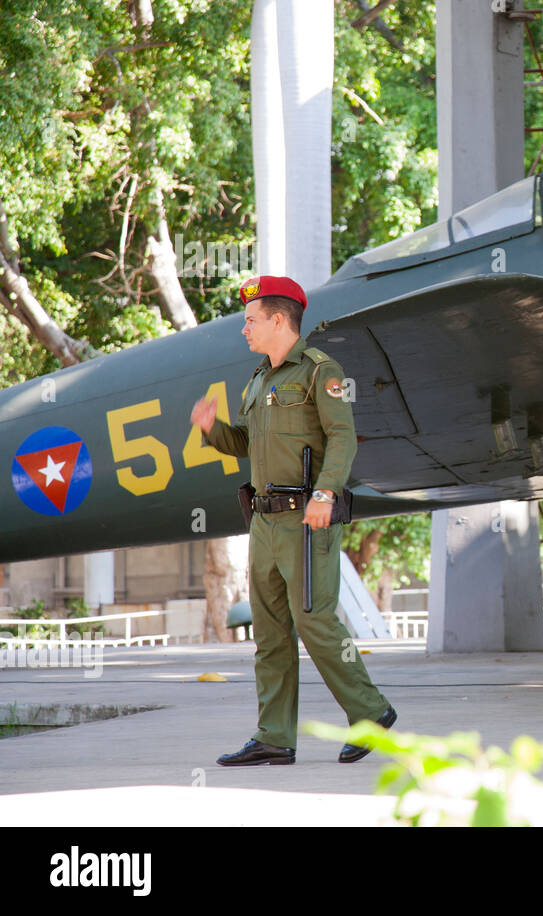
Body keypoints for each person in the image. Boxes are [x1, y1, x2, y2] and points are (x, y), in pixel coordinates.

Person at [190, 274, 395, 765]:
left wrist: (325, 493)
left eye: (251, 320)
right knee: (270, 631)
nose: (245, 329)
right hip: (263, 521)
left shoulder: (320, 371)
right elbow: (245, 444)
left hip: (308, 518)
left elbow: (341, 436)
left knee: (314, 620)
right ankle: (274, 737)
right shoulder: (260, 379)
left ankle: (371, 714)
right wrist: (211, 429)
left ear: (279, 320)